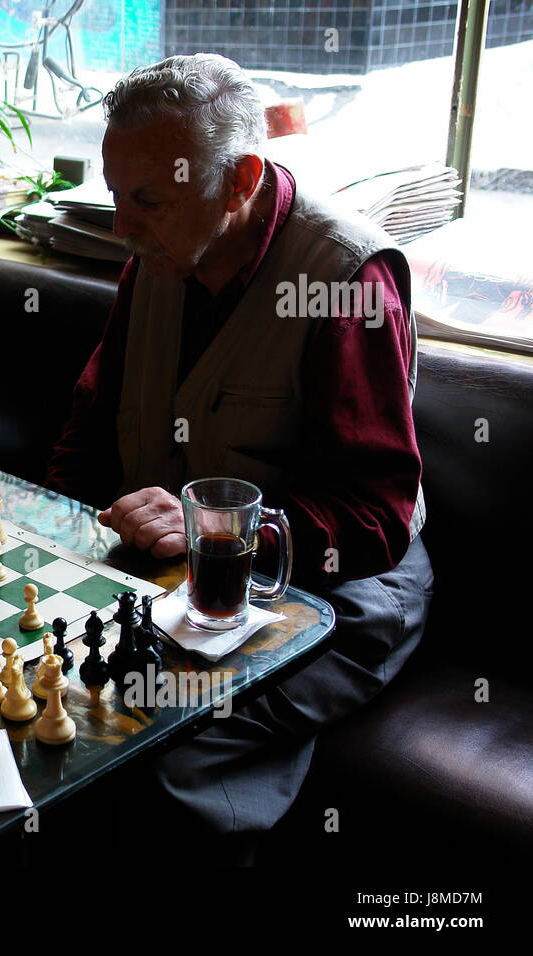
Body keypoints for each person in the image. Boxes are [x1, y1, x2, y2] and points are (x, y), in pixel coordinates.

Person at [47, 55, 433, 863]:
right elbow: (91, 419)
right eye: (115, 194)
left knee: (161, 748)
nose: (122, 225)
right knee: (52, 698)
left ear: (240, 180)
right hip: (174, 578)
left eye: (147, 200)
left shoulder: (344, 278)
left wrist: (218, 535)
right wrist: (50, 552)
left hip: (341, 588)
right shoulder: (157, 256)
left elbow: (376, 515)